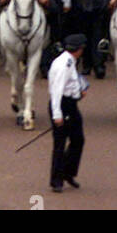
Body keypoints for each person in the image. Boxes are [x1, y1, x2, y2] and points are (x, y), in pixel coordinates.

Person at [48, 32, 88, 192]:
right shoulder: (64, 64)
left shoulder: (71, 62)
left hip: (71, 104)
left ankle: (68, 172)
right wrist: (57, 114)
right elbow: (57, 90)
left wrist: (79, 94)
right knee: (60, 143)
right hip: (62, 105)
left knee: (78, 139)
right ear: (78, 49)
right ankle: (56, 180)